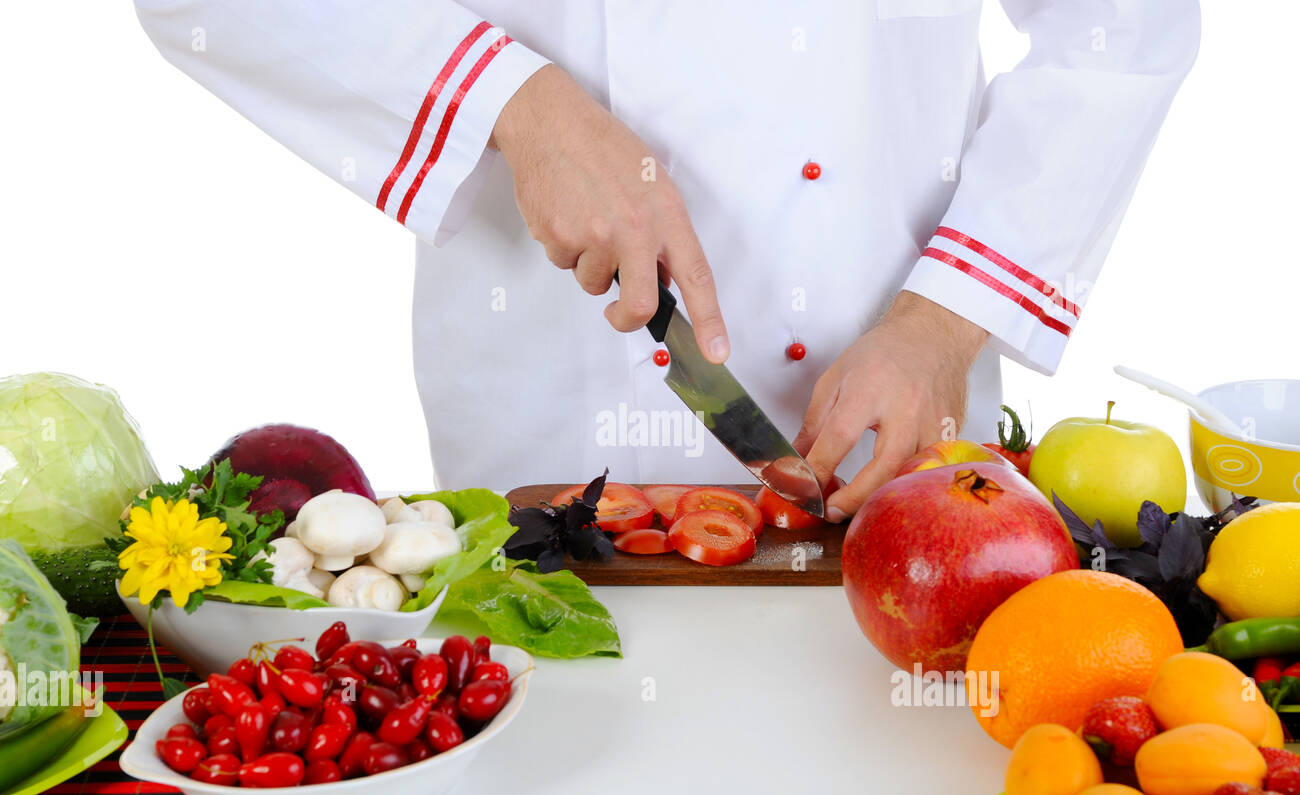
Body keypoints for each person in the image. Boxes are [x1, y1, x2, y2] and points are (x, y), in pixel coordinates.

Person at [133, 0, 1199, 521]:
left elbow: (1123, 24)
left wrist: (945, 319)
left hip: (897, 411)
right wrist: (509, 101)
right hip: (551, 413)